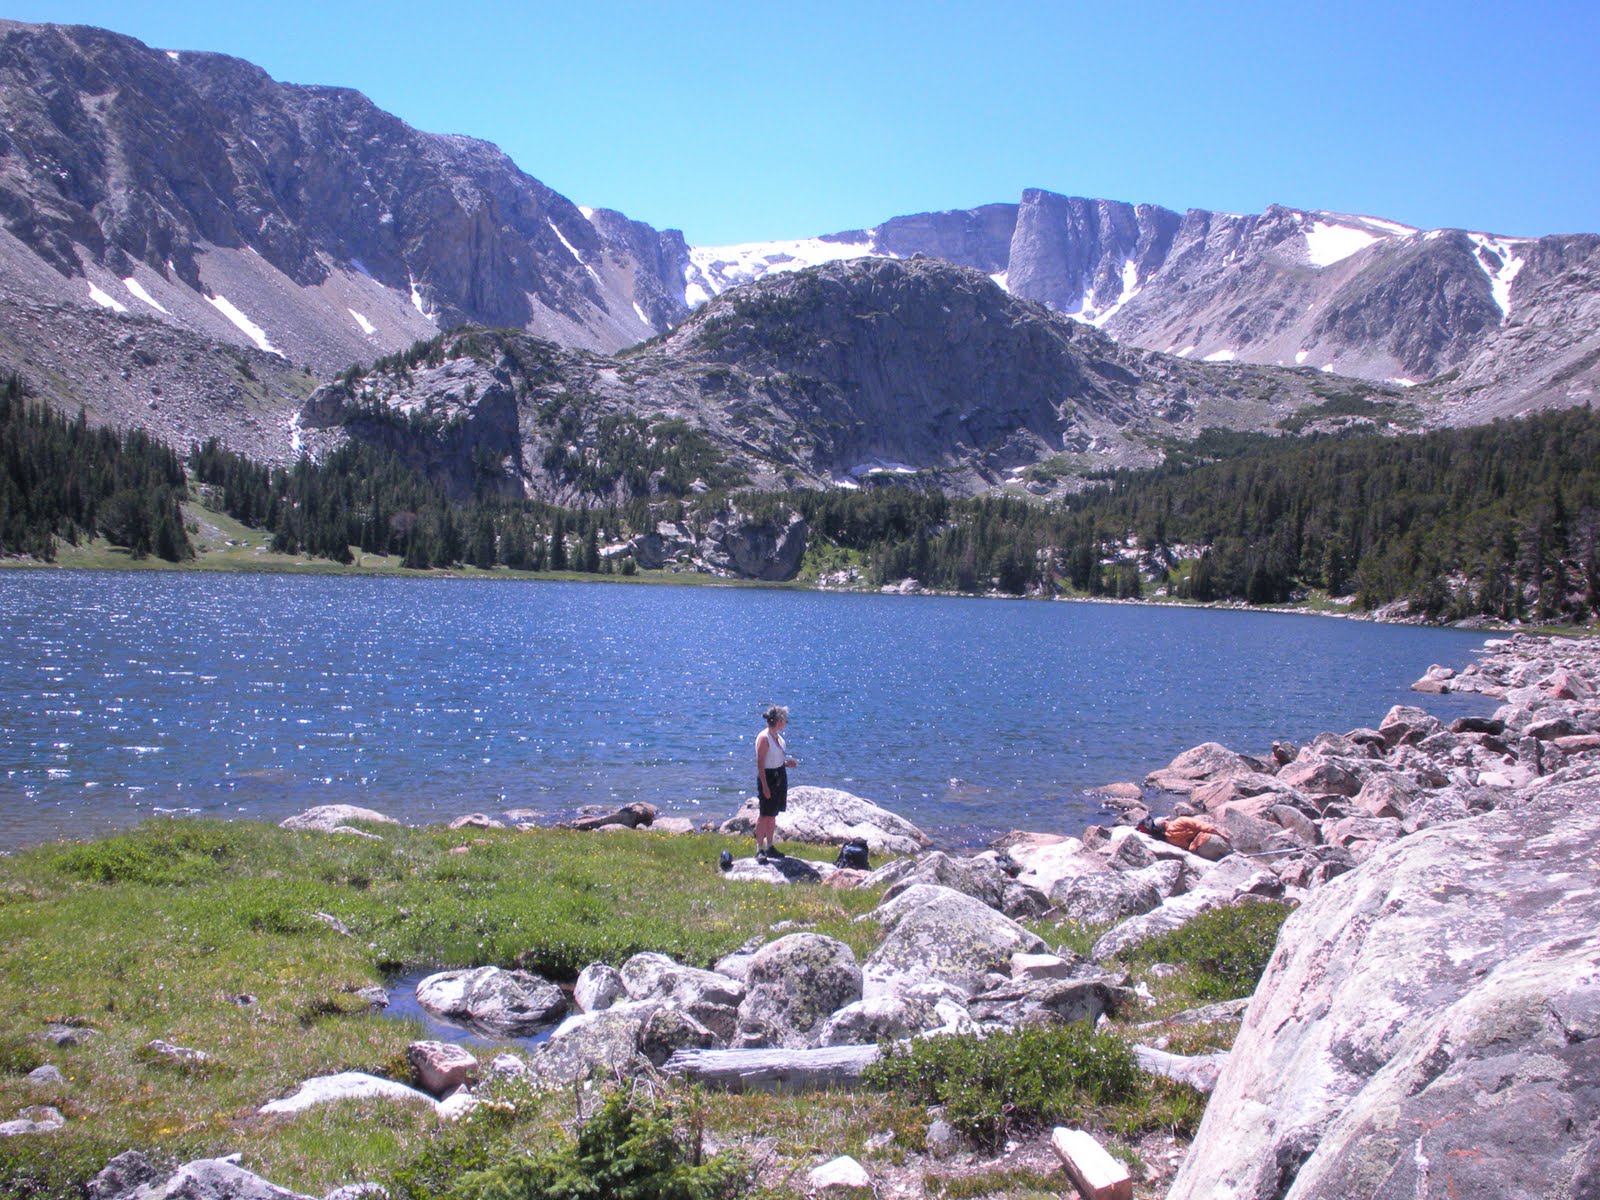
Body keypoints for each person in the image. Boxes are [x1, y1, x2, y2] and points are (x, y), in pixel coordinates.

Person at [754, 704, 798, 864]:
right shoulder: (764, 738)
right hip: (768, 777)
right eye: (785, 720)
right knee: (764, 814)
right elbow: (760, 764)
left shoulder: (777, 737)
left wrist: (786, 763)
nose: (786, 723)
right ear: (779, 721)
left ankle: (770, 846)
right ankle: (759, 848)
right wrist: (765, 786)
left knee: (773, 814)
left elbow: (773, 759)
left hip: (779, 775)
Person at [1136, 814, 1233, 860]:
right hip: (1209, 840)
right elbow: (1203, 826)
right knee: (1234, 857)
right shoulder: (1180, 821)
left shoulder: (1169, 839)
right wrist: (1221, 835)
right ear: (1165, 821)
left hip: (1202, 851)